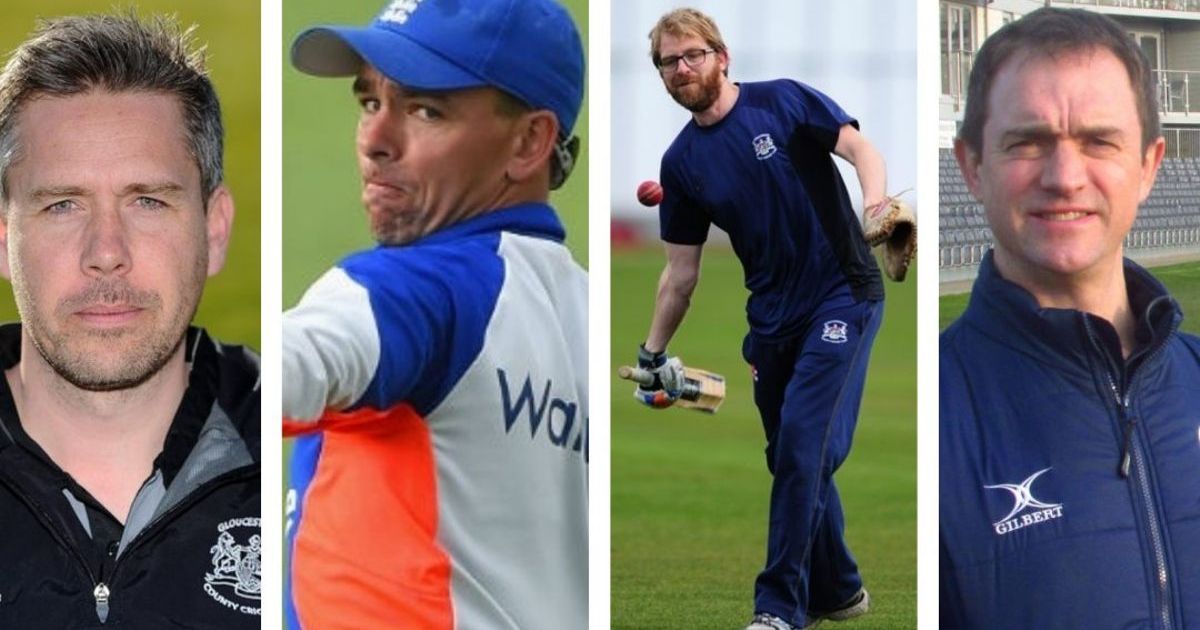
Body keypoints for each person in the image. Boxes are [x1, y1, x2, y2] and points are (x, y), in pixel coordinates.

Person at [280, 1, 587, 628]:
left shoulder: (413, 287)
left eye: (425, 109)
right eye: (369, 102)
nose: (375, 140)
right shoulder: (584, 307)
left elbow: (284, 370)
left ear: (531, 141)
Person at [941, 7, 1200, 627]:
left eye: (1098, 142)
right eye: (1028, 142)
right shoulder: (938, 411)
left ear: (1148, 165)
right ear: (972, 165)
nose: (1064, 178)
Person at [0, 13, 260, 628]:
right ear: (4, 236)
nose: (106, 251)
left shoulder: (295, 436)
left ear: (214, 228)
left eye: (147, 201)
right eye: (63, 205)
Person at [634, 8, 888, 630]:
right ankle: (842, 589)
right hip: (771, 322)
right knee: (791, 459)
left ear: (722, 56)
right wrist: (651, 355)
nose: (681, 69)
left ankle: (778, 610)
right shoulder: (682, 164)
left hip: (842, 295)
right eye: (669, 62)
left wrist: (876, 203)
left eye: (691, 54)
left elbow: (858, 146)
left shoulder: (782, 102)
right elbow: (680, 275)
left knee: (805, 448)